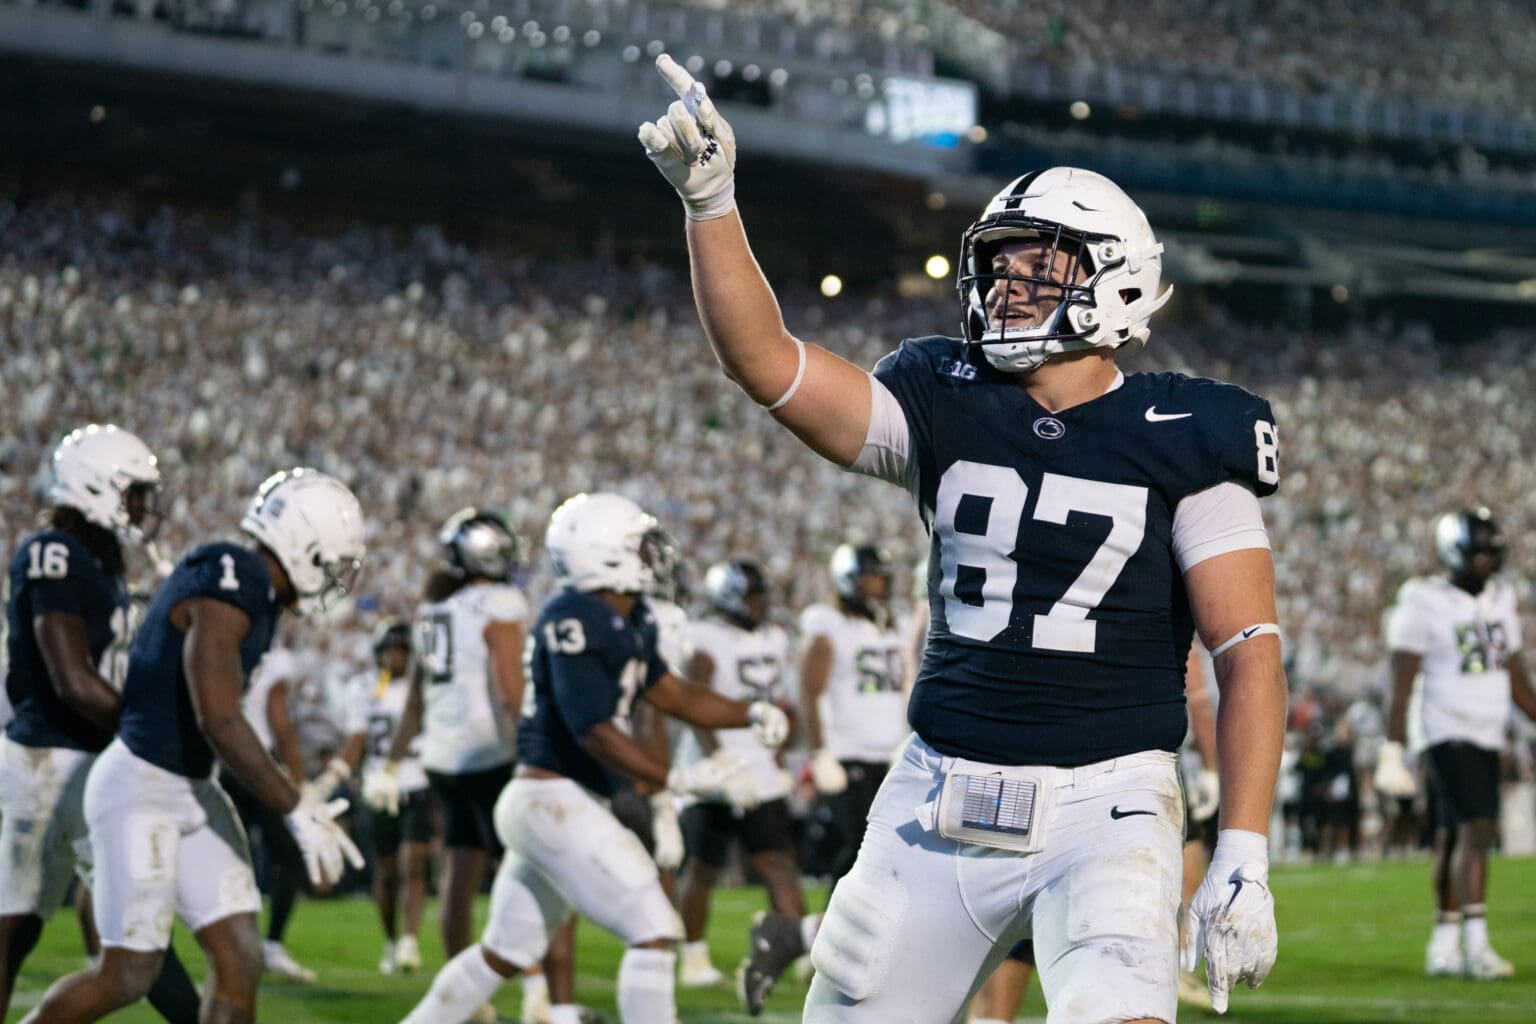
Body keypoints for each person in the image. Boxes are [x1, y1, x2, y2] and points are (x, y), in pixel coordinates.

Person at [640, 57, 1287, 1022]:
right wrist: (712, 202)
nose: (1010, 281)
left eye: (1042, 262)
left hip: (1107, 806)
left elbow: (1249, 653)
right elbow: (766, 364)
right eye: (1005, 259)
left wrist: (1242, 849)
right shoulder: (944, 397)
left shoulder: (1187, 435)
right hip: (937, 791)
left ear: (1116, 278)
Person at [398, 491, 790, 1024]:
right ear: (602, 555)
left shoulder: (629, 615)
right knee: (653, 928)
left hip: (564, 799)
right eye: (640, 545)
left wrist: (749, 712)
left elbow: (671, 691)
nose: (655, 555)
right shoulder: (574, 614)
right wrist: (679, 778)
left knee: (503, 951)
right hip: (549, 797)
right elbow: (595, 733)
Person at [21, 467, 366, 1024]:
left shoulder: (256, 591)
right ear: (304, 546)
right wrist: (295, 805)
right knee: (128, 974)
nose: (335, 578)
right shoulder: (231, 575)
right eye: (332, 561)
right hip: (140, 784)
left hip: (190, 786)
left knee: (241, 958)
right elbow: (220, 717)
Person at [0, 425, 202, 1024]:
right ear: (95, 486)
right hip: (43, 764)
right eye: (133, 493)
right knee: (14, 934)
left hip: (90, 767)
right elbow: (71, 677)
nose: (142, 508)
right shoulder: (53, 551)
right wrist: (150, 735)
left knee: (141, 933)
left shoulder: (100, 564)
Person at [380, 506, 564, 1024]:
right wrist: (536, 744)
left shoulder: (431, 610)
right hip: (489, 753)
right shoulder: (499, 601)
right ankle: (537, 992)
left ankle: (469, 999)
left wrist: (391, 766)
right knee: (533, 871)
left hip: (440, 758)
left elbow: (415, 699)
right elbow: (511, 687)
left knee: (459, 872)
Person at [1374, 507, 1536, 980]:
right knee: (1477, 827)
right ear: (1453, 553)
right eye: (1476, 552)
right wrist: (1392, 748)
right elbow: (1402, 681)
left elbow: (1517, 679)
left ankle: (1443, 944)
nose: (1485, 561)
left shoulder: (1503, 600)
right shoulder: (1423, 600)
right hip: (1444, 729)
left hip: (1487, 731)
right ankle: (1476, 943)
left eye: (1491, 552)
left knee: (1452, 834)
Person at [675, 560, 805, 991]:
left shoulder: (774, 636)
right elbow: (696, 705)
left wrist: (780, 757)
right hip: (713, 772)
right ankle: (692, 958)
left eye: (760, 595)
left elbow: (782, 705)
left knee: (777, 864)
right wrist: (721, 765)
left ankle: (801, 951)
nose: (760, 603)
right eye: (751, 596)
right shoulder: (706, 637)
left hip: (761, 771)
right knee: (701, 866)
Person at [797, 543, 907, 891]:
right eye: (871, 577)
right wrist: (819, 754)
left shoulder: (890, 625)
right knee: (859, 850)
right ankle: (827, 935)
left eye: (881, 577)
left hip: (891, 754)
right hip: (847, 754)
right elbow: (808, 692)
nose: (880, 584)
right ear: (849, 580)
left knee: (892, 854)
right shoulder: (829, 624)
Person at [218, 632, 319, 983]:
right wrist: (302, 782)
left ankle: (234, 946)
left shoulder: (223, 645)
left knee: (234, 860)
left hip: (221, 763)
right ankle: (270, 945)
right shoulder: (275, 659)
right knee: (288, 856)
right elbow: (280, 725)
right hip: (256, 763)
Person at [337, 619, 434, 976]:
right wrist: (338, 774)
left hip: (417, 778)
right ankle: (392, 941)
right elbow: (356, 740)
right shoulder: (363, 688)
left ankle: (409, 940)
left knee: (414, 861)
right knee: (387, 868)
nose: (395, 657)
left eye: (402, 650)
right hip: (379, 783)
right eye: (389, 650)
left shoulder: (419, 687)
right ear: (378, 652)